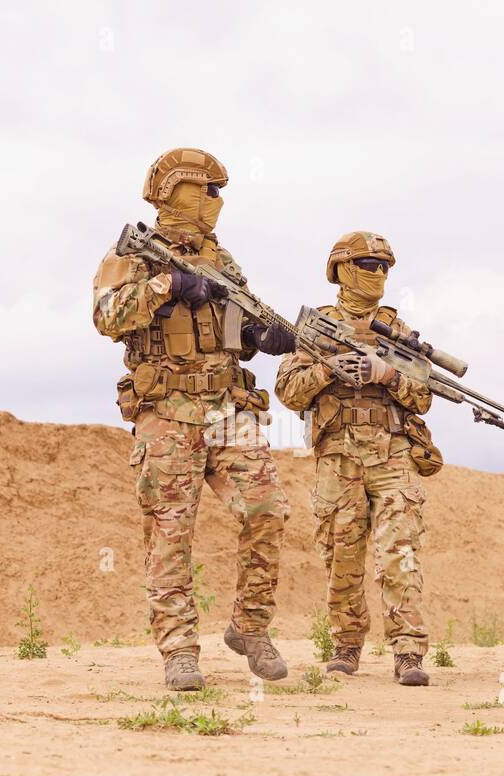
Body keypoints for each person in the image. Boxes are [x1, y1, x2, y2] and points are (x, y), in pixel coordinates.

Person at [92, 148, 296, 690]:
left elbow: (234, 331)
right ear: (171, 191)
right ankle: (179, 650)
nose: (213, 201)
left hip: (227, 409)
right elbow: (106, 317)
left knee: (268, 510)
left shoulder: (224, 262)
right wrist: (168, 287)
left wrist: (261, 338)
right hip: (167, 413)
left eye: (217, 191)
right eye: (203, 189)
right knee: (170, 534)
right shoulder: (135, 254)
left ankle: (250, 627)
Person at [274, 232, 439, 686]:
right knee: (341, 556)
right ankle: (346, 646)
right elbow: (287, 392)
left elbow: (423, 397)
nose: (378, 273)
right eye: (368, 264)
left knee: (399, 553)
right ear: (343, 270)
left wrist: (387, 375)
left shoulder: (398, 332)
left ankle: (408, 651)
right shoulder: (315, 328)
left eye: (385, 266)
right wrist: (329, 369)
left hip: (393, 456)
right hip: (338, 458)